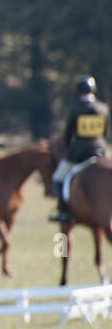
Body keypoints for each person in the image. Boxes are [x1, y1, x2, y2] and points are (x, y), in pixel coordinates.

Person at [50, 75, 109, 222]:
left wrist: (69, 148)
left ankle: (63, 210)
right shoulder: (103, 108)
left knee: (58, 178)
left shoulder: (75, 110)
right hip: (100, 149)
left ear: (79, 92)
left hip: (80, 151)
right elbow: (105, 133)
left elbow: (68, 135)